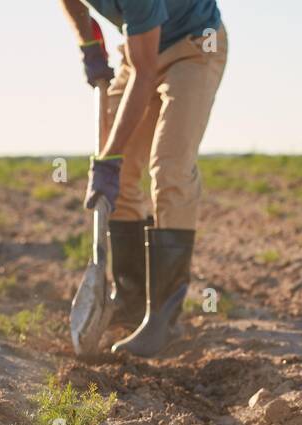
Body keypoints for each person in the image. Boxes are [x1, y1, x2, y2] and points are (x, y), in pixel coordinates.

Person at [61, 0, 228, 357]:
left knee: (170, 170)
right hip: (138, 52)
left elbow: (145, 72)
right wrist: (88, 46)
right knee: (120, 175)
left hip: (194, 46)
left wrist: (109, 159)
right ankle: (130, 297)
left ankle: (162, 319)